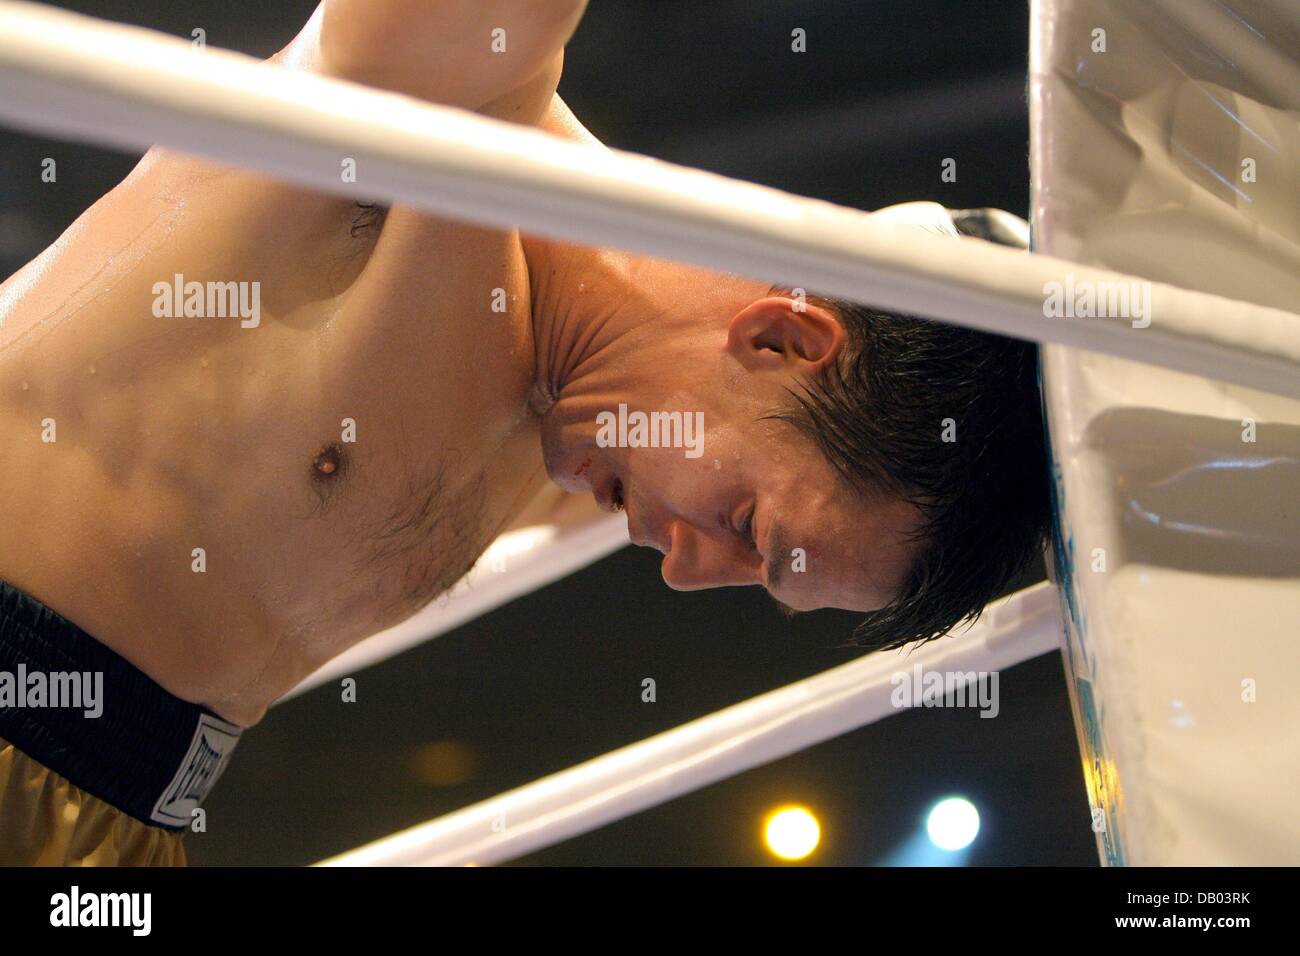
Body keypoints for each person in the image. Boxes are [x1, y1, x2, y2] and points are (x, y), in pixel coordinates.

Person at [0, 0, 1048, 864]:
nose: (685, 569)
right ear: (779, 338)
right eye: (744, 523)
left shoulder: (563, 431)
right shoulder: (451, 103)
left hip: (120, 818)